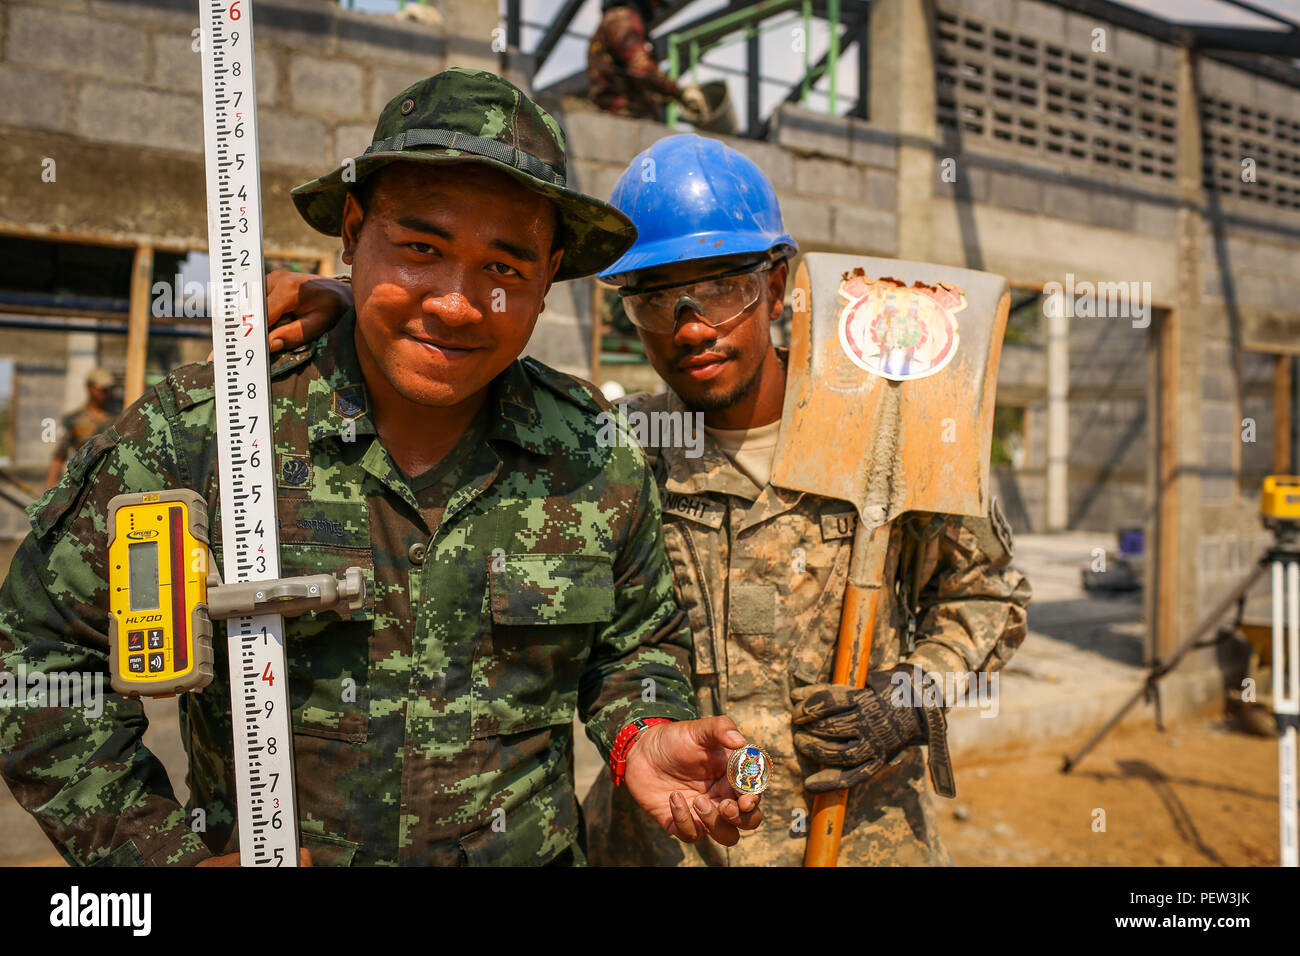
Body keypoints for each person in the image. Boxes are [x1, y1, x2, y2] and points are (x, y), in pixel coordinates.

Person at [0, 71, 762, 867]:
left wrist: (642, 730)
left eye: (505, 268)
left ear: (547, 278)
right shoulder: (210, 433)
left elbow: (636, 647)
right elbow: (37, 657)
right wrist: (161, 857)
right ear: (354, 234)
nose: (458, 304)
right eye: (422, 249)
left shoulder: (596, 454)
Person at [263, 132, 1032, 867]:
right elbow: (467, 372)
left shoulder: (888, 433)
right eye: (656, 301)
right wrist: (355, 302)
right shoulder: (609, 451)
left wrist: (908, 700)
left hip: (855, 831)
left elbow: (989, 596)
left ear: (777, 285)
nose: (691, 328)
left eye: (723, 289)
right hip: (666, 840)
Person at [587, 0, 707, 121]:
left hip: (614, 114)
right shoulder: (623, 19)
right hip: (626, 116)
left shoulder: (609, 22)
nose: (656, 9)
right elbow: (641, 69)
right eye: (657, 3)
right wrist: (680, 93)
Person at [44, 367, 116, 489]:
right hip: (82, 482)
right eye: (101, 389)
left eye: (107, 389)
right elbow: (60, 453)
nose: (105, 393)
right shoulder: (73, 419)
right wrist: (49, 486)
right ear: (89, 387)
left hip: (109, 480)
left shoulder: (116, 418)